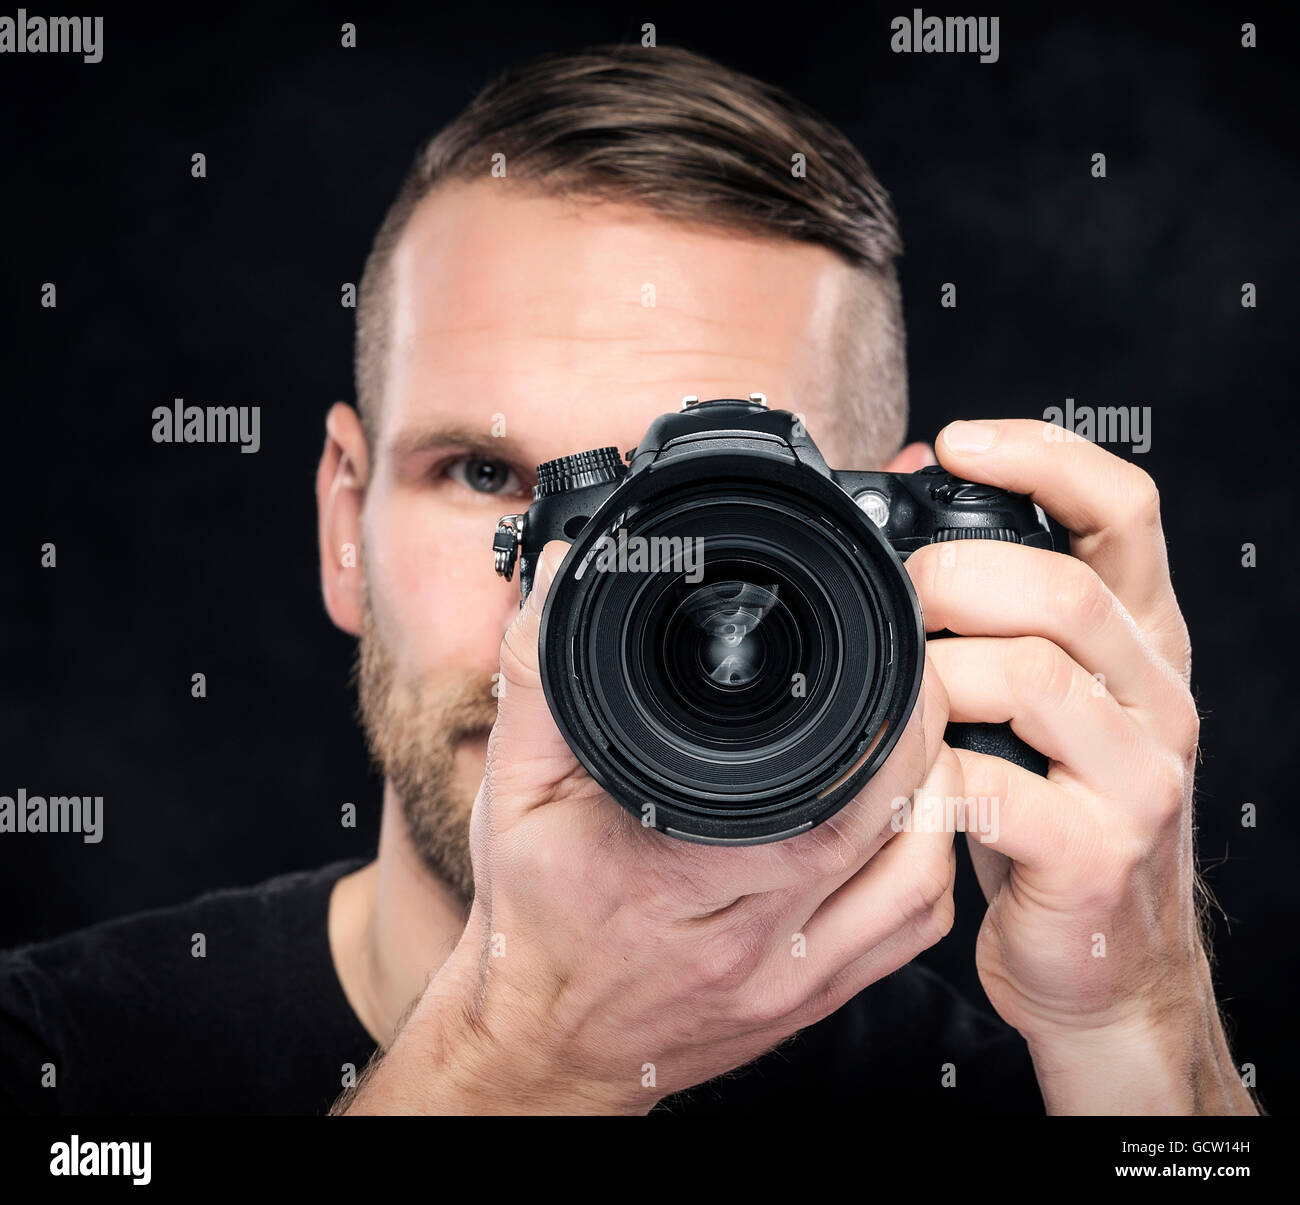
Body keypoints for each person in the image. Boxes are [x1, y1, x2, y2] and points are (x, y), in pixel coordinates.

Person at [0, 44, 1256, 1116]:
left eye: (701, 509)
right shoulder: (65, 1056)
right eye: (489, 474)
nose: (560, 610)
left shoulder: (1020, 1089)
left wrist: (1142, 1026)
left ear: (901, 567)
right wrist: (519, 1063)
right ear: (345, 520)